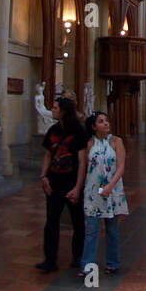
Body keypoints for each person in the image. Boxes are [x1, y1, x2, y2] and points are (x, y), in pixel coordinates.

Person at [72, 110, 128, 277]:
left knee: (112, 229)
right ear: (93, 126)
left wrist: (110, 186)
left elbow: (121, 167)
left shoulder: (117, 142)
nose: (106, 124)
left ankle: (112, 262)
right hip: (93, 192)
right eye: (101, 121)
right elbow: (83, 168)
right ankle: (87, 266)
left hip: (112, 190)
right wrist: (77, 188)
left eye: (106, 120)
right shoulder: (88, 144)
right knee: (92, 230)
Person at [36, 96, 89, 273]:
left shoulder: (78, 132)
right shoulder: (52, 130)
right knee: (51, 221)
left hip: (72, 182)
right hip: (54, 183)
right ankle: (50, 259)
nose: (52, 109)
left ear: (64, 111)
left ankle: (78, 256)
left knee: (77, 221)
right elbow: (47, 155)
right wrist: (44, 176)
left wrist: (77, 187)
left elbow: (82, 161)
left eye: (55, 107)